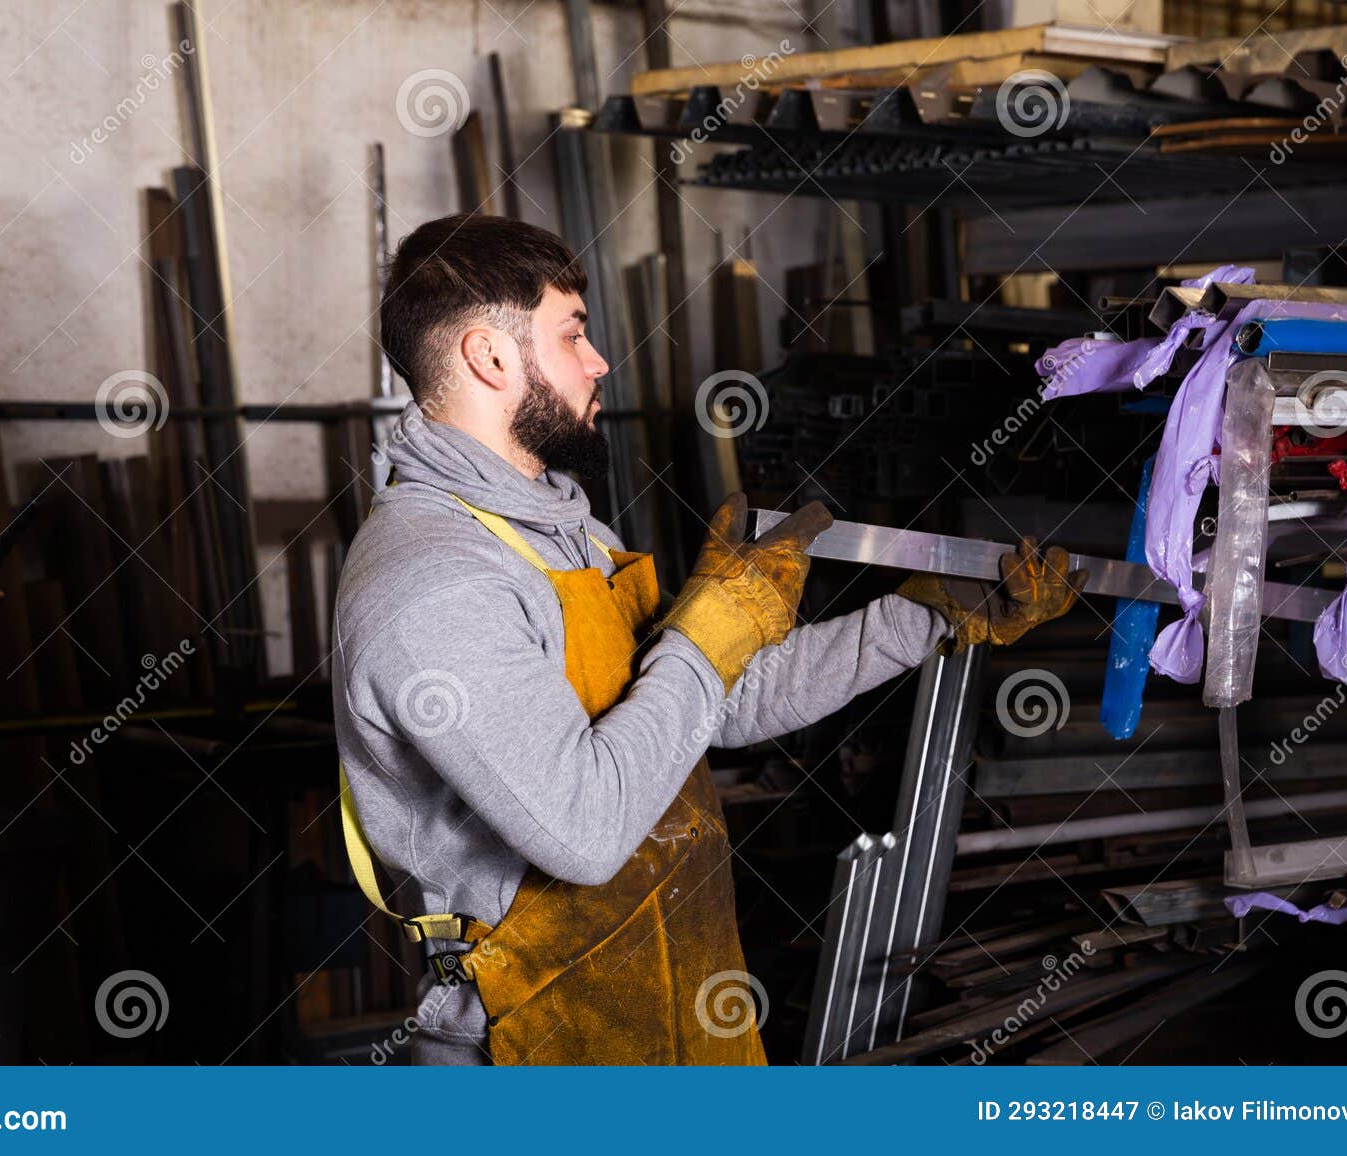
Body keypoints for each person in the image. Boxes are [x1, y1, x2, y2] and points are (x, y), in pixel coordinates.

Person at [331, 213, 1085, 1065]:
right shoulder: (433, 582)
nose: (598, 362)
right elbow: (584, 830)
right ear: (491, 356)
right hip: (538, 1045)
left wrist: (927, 613)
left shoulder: (564, 533)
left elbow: (718, 703)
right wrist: (703, 634)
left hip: (672, 999)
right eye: (572, 334)